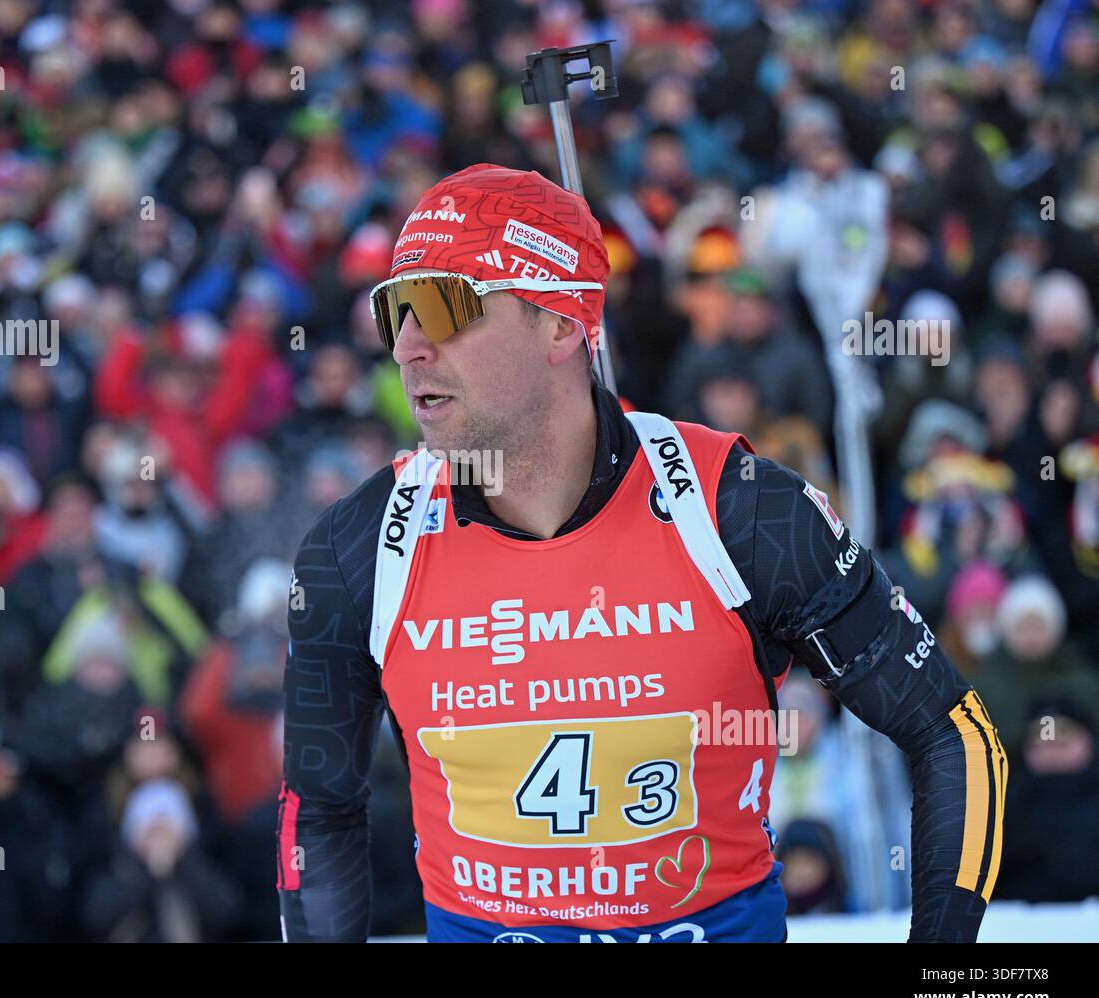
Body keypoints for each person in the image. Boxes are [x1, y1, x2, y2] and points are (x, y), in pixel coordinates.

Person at [277, 164, 1008, 943]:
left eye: (442, 306)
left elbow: (954, 733)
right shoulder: (362, 546)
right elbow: (317, 808)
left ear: (560, 324)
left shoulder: (738, 512)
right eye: (394, 311)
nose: (408, 348)